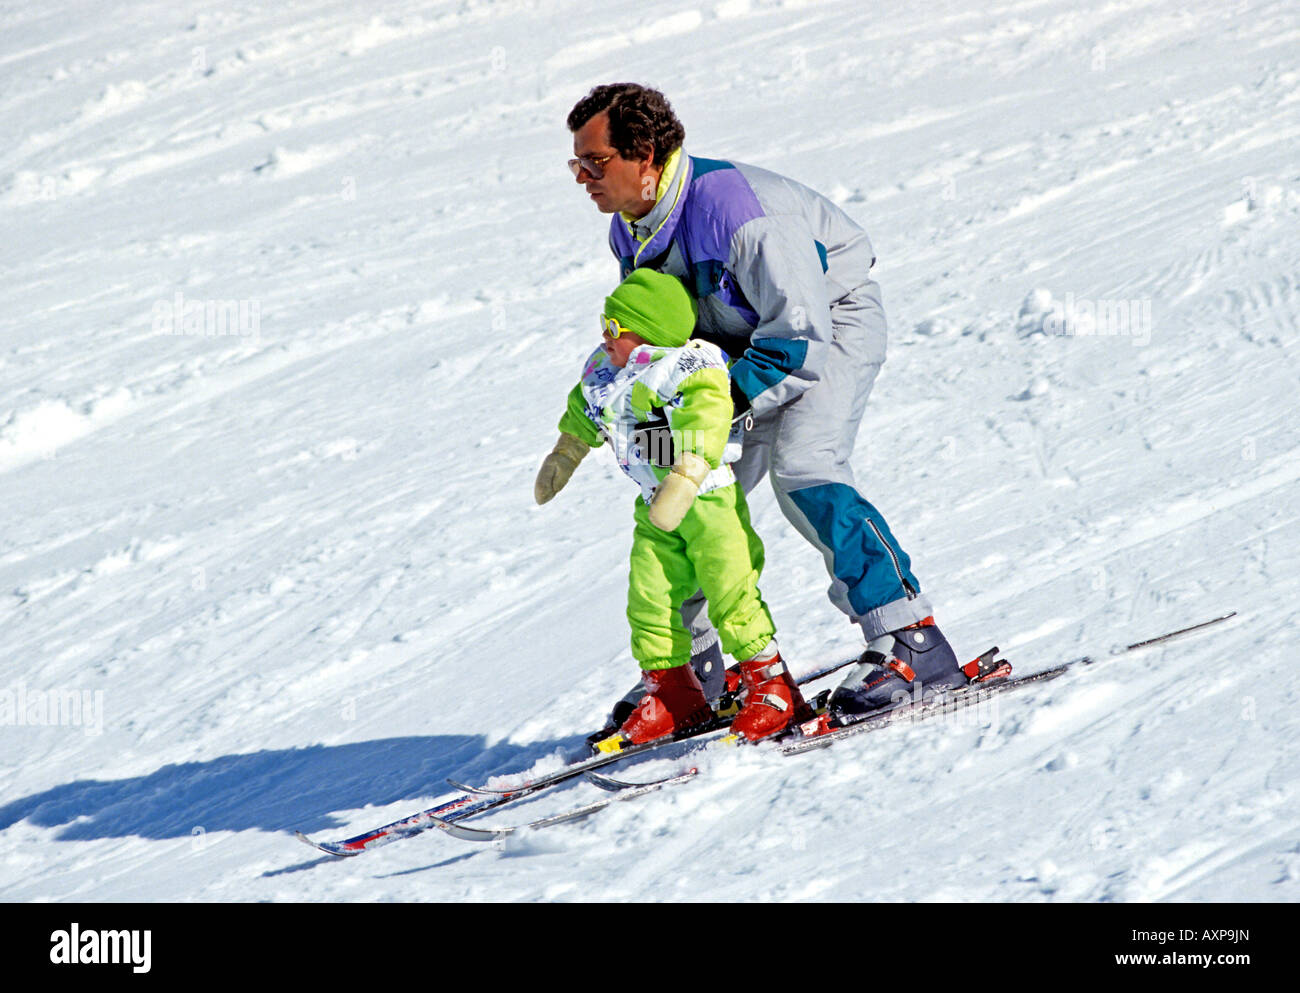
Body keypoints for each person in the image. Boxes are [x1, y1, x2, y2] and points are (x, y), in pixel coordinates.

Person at [565, 83, 969, 722]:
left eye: (595, 162)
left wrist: (723, 402)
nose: (583, 177)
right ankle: (689, 671)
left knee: (805, 467)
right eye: (576, 165)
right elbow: (660, 338)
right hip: (726, 352)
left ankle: (912, 641)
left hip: (824, 325)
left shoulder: (740, 213)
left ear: (644, 154)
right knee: (678, 491)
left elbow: (799, 336)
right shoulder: (630, 227)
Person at [534, 268, 813, 746]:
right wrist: (565, 453)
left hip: (706, 503)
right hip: (654, 506)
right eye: (605, 323)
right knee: (650, 597)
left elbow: (708, 420)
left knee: (731, 591)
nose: (605, 336)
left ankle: (771, 688)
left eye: (615, 328)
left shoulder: (686, 368)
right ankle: (672, 694)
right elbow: (584, 410)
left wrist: (684, 478)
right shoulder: (609, 373)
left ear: (651, 333)